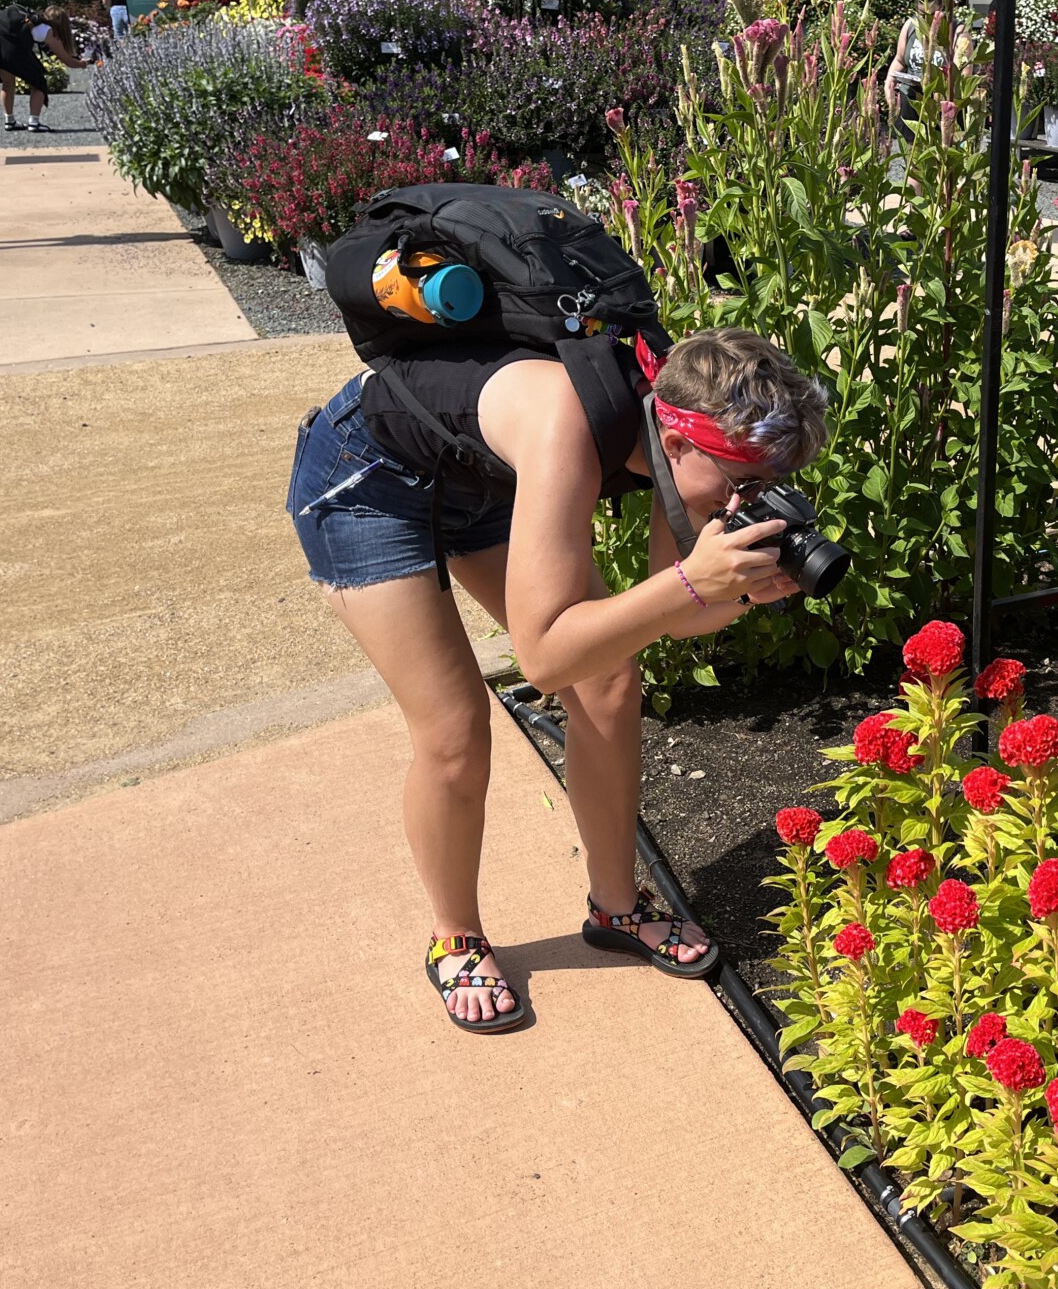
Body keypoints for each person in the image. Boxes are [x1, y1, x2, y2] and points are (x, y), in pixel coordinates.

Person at [288, 326, 829, 1033]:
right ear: (676, 444)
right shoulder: (565, 425)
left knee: (607, 682)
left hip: (485, 479)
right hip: (371, 482)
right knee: (454, 730)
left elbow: (680, 611)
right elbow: (543, 659)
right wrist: (695, 582)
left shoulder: (681, 434)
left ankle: (615, 908)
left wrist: (743, 587)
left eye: (770, 485)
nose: (750, 502)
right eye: (744, 485)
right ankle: (455, 934)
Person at [0, 5, 89, 132]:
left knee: (8, 82)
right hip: (10, 47)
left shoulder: (31, 19)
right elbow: (67, 60)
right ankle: (34, 122)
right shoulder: (49, 31)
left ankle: (9, 121)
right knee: (39, 83)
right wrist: (83, 64)